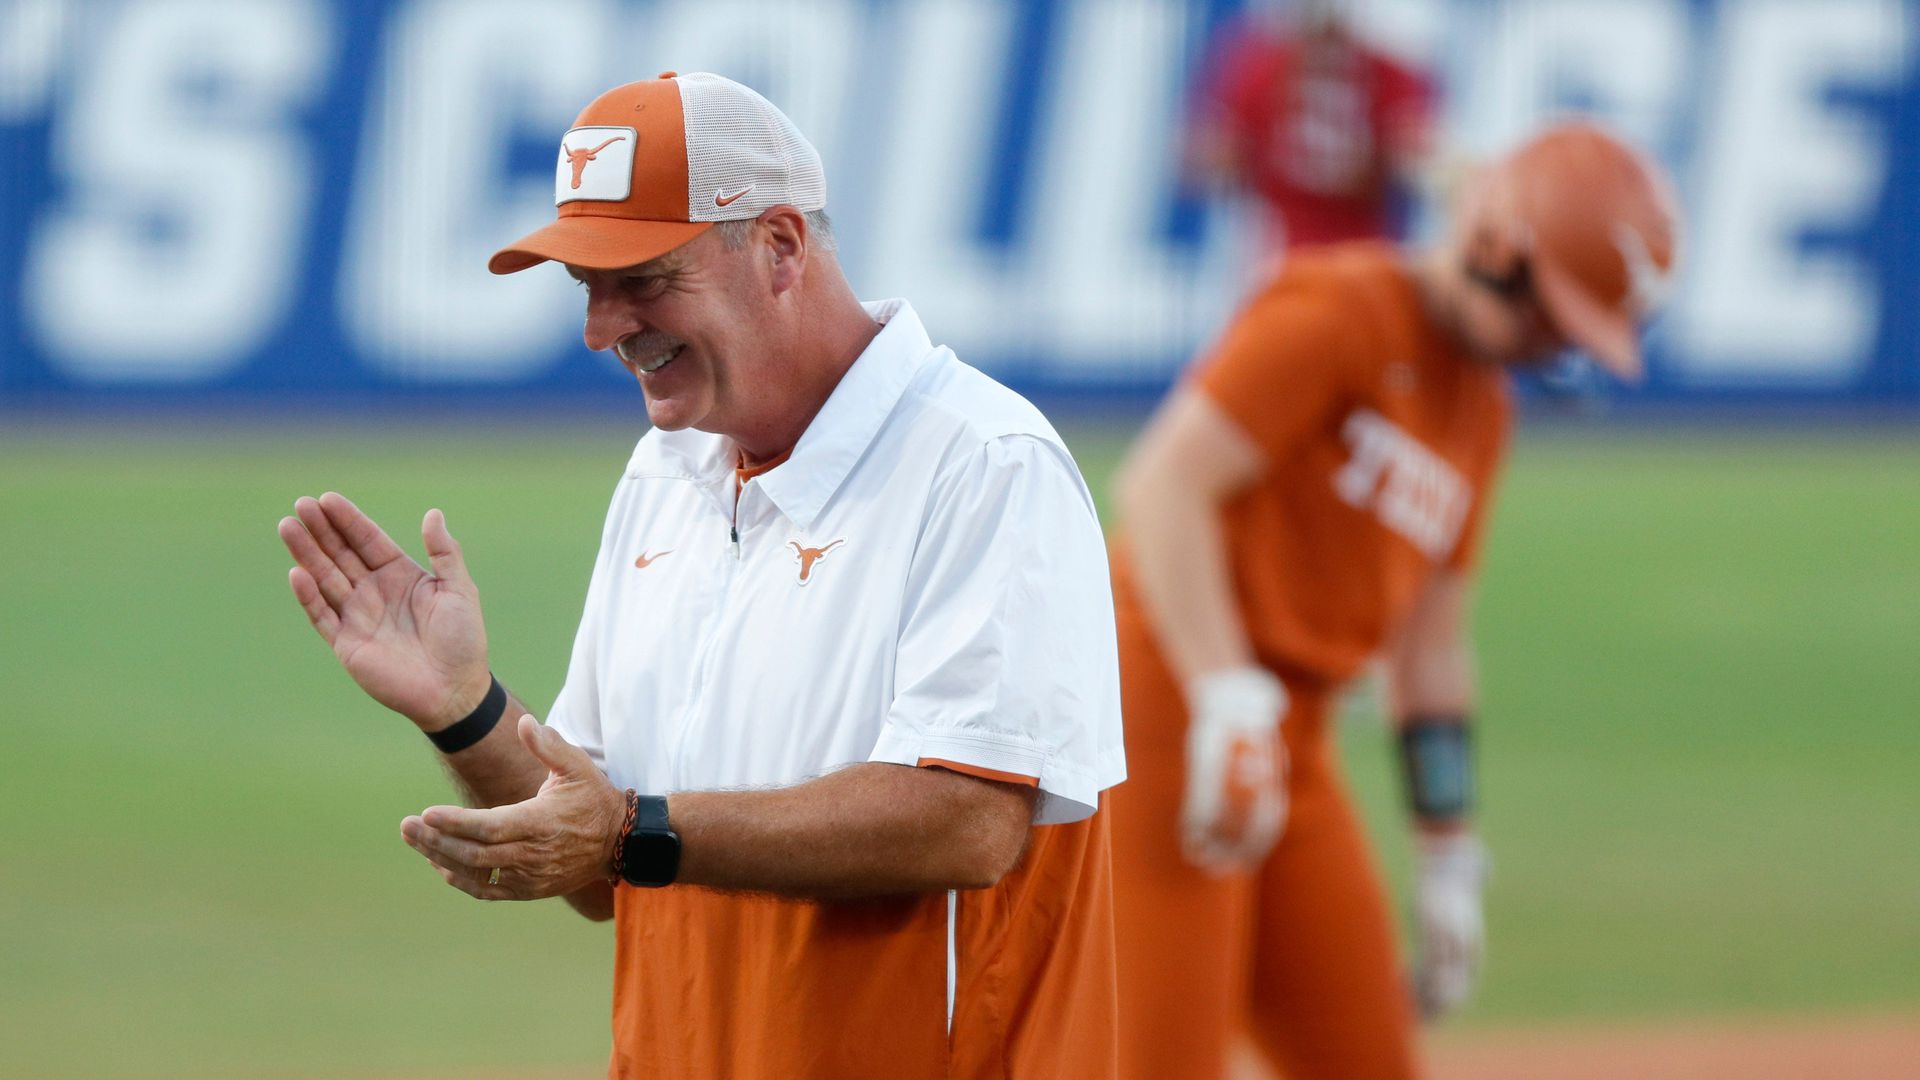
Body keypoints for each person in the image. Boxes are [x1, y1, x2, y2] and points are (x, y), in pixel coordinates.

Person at [277, 72, 1125, 1078]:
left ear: (780, 247)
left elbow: (969, 821)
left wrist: (628, 832)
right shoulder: (666, 474)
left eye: (642, 278)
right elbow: (601, 867)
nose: (603, 328)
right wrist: (468, 710)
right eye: (587, 287)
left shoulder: (984, 462)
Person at [1107, 122, 1680, 1079]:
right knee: (1164, 1060)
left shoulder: (1483, 407)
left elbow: (1432, 648)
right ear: (1498, 248)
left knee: (1368, 1056)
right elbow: (1164, 486)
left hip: (1290, 735)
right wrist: (1223, 694)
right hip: (1165, 701)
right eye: (1550, 317)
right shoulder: (1339, 309)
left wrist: (1448, 847)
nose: (1550, 349)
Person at [1186, 0, 1436, 254]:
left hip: (1354, 250)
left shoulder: (1259, 65)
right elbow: (1211, 158)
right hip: (1290, 246)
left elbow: (1418, 156)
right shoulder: (1260, 67)